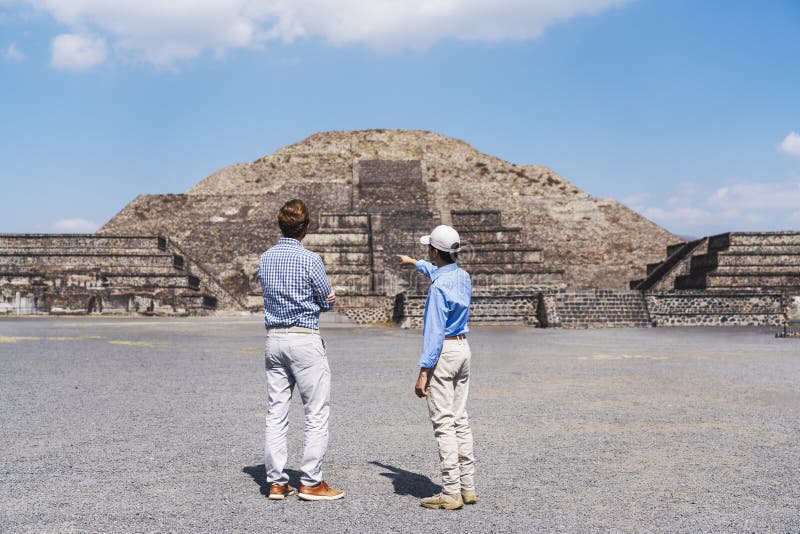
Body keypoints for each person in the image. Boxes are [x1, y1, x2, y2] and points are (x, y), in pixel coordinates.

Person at [257, 198, 344, 502]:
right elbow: (325, 299)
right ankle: (311, 481)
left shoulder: (265, 259)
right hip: (304, 338)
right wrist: (327, 301)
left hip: (274, 339)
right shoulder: (311, 260)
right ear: (305, 227)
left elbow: (267, 294)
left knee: (276, 412)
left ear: (280, 225)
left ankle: (277, 482)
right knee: (316, 413)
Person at [397, 224, 477, 510]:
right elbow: (438, 271)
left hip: (443, 352)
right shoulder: (462, 277)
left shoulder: (437, 289)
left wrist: (423, 372)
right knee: (460, 419)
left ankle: (450, 491)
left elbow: (433, 333)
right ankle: (467, 486)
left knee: (443, 423)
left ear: (434, 251)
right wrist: (413, 263)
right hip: (463, 349)